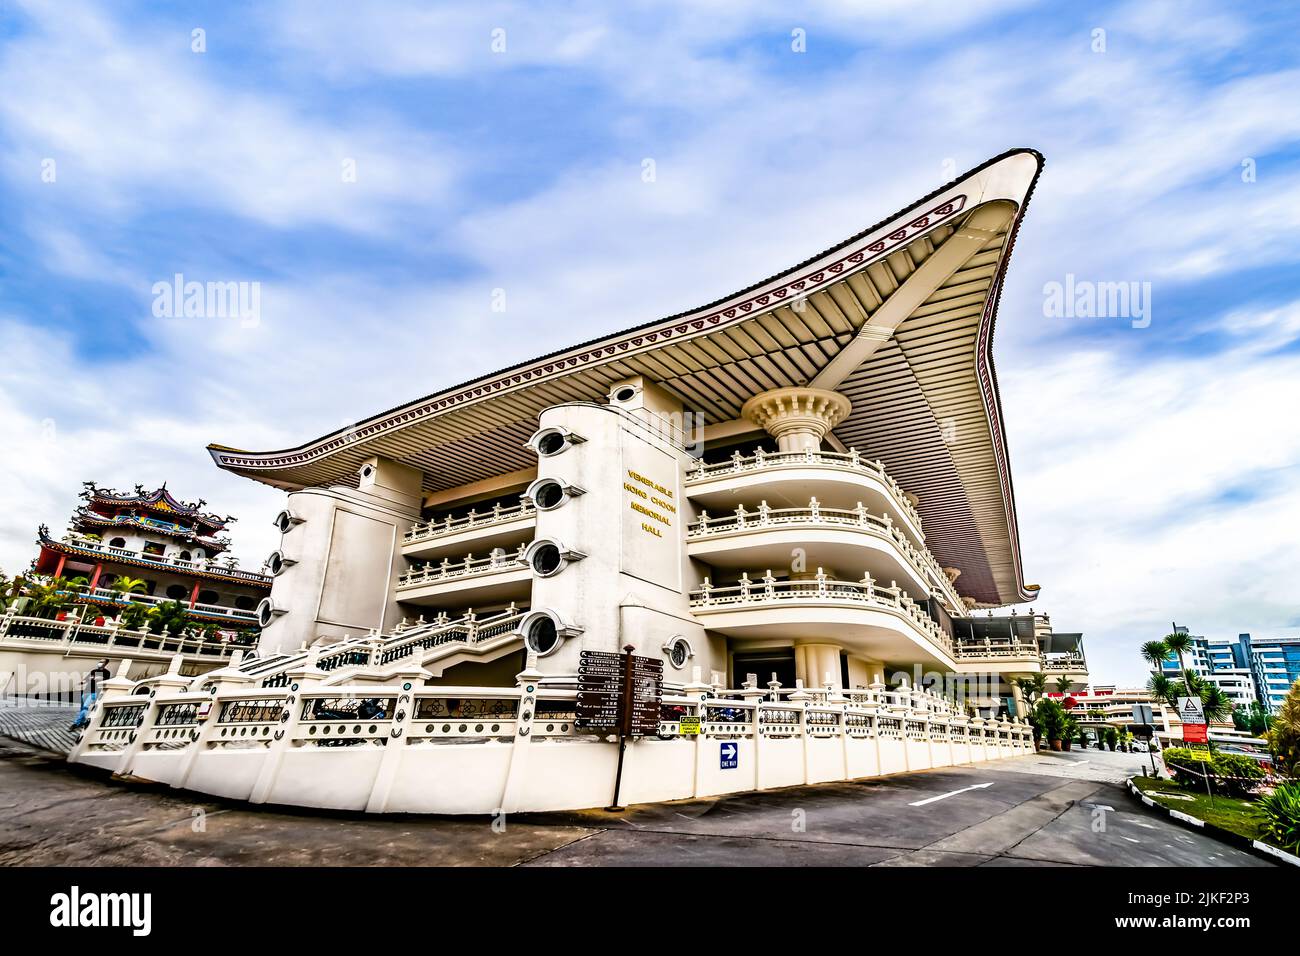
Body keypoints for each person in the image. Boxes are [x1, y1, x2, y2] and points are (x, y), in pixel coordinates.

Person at [70, 659, 112, 731]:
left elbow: (105, 681)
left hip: (95, 692)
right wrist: (81, 682)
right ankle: (82, 722)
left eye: (102, 662)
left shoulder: (107, 672)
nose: (100, 663)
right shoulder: (93, 671)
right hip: (86, 691)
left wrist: (97, 678)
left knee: (86, 707)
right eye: (100, 661)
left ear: (105, 664)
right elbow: (87, 679)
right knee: (82, 708)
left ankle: (75, 724)